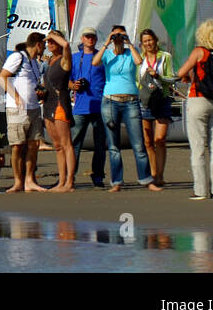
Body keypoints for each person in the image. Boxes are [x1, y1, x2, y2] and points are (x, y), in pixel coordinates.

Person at [175, 18, 213, 200]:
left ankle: (200, 190)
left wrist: (187, 75)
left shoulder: (199, 52)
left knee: (198, 148)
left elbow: (181, 73)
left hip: (198, 100)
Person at [93, 28, 156, 191]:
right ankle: (117, 182)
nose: (118, 38)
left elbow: (139, 61)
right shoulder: (107, 54)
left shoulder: (130, 53)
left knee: (138, 143)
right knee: (113, 146)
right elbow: (95, 62)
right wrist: (107, 43)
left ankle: (146, 179)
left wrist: (129, 43)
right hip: (110, 101)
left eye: (121, 35)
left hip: (131, 101)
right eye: (116, 35)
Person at [0, 33, 46, 192]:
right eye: (43, 44)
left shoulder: (34, 62)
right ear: (38, 44)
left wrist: (40, 93)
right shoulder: (18, 57)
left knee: (33, 145)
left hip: (33, 107)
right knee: (17, 145)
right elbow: (2, 77)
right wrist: (16, 97)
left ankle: (29, 180)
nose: (45, 47)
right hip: (17, 109)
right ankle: (18, 181)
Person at [69, 28, 106, 188]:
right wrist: (73, 85)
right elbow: (66, 80)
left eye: (93, 37)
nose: (90, 39)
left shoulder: (102, 57)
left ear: (96, 39)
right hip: (80, 106)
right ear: (82, 39)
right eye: (87, 36)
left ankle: (98, 176)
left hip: (100, 105)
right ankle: (70, 176)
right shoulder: (74, 58)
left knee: (100, 144)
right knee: (75, 143)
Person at [137, 29, 175, 187]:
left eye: (150, 40)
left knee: (159, 139)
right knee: (147, 141)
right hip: (145, 100)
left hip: (161, 99)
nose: (148, 43)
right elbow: (136, 79)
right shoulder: (140, 58)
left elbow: (172, 78)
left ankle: (160, 174)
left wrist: (158, 76)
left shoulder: (165, 57)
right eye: (145, 41)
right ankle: (153, 173)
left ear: (155, 40)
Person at [42, 31, 74, 192]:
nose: (49, 43)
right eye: (48, 41)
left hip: (61, 103)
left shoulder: (65, 59)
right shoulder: (49, 61)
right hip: (48, 104)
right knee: (57, 145)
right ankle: (61, 181)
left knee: (66, 143)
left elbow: (67, 45)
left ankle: (69, 181)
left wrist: (54, 36)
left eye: (52, 40)